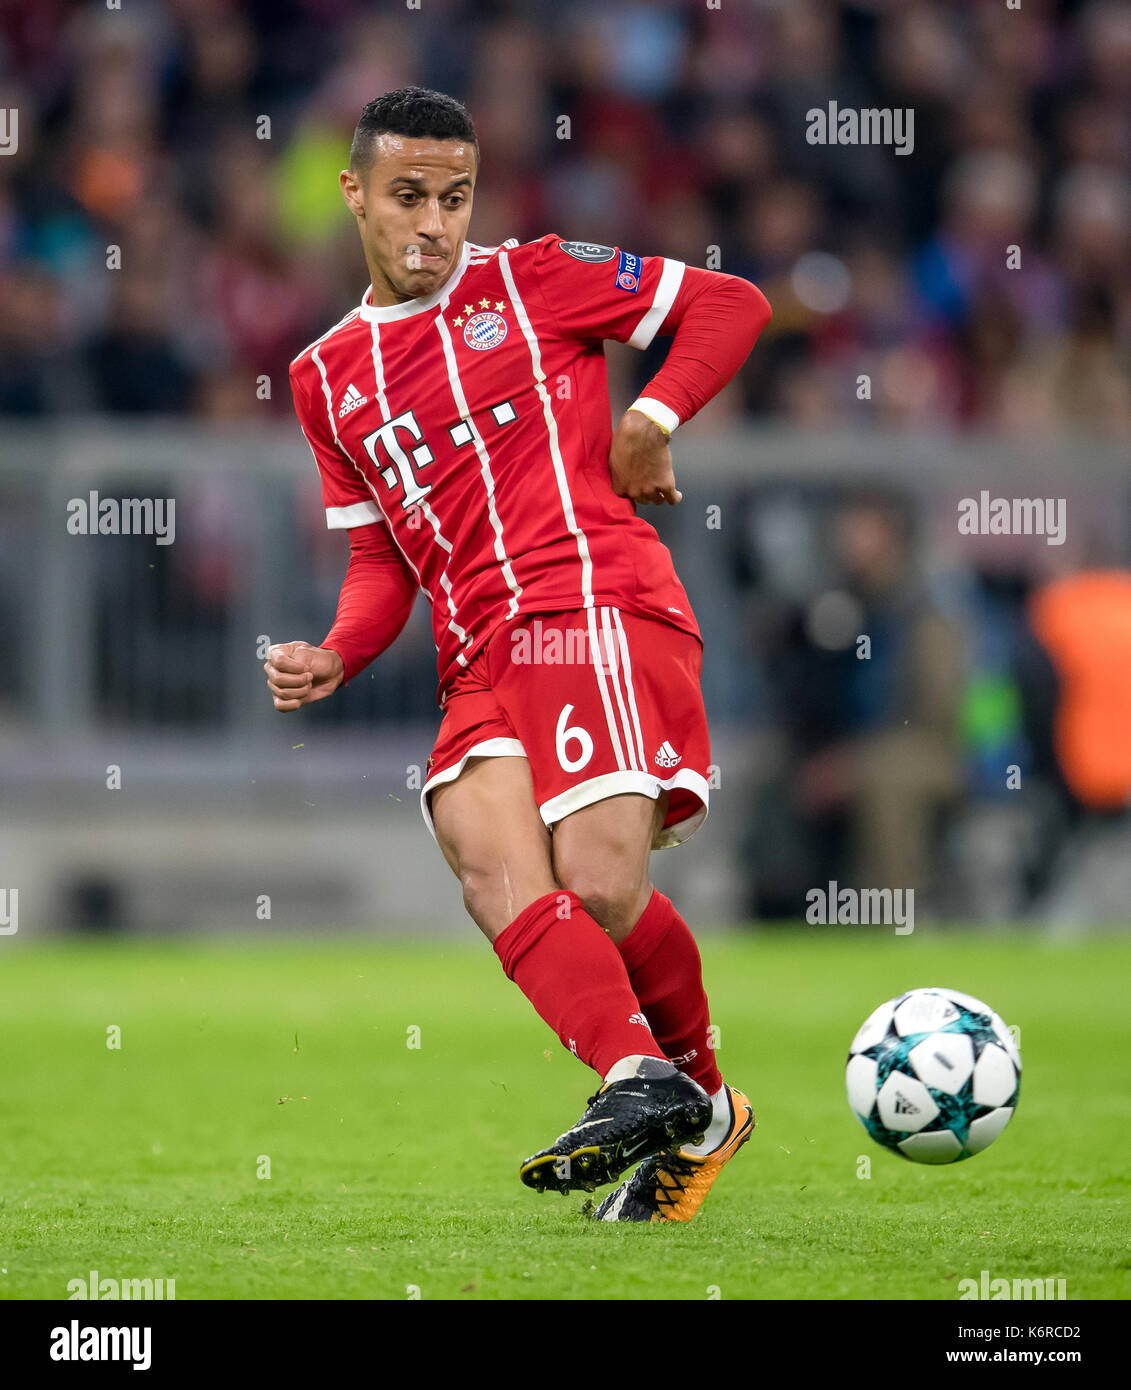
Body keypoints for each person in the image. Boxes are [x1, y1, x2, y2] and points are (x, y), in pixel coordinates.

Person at [263, 87, 771, 1223]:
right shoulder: (324, 376)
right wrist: (341, 651)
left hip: (586, 593)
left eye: (455, 197)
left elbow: (731, 304)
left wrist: (658, 416)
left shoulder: (533, 277)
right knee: (487, 858)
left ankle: (696, 1093)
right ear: (354, 196)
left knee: (597, 879)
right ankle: (646, 1081)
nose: (434, 223)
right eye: (408, 198)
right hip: (478, 648)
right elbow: (384, 560)